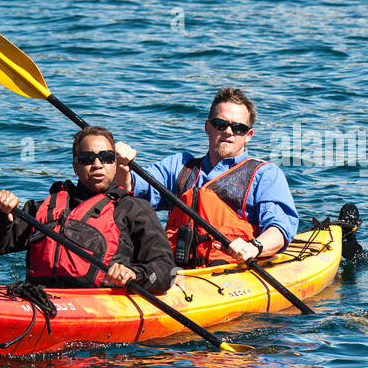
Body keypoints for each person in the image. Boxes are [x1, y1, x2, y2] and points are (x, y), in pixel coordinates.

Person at [115, 87, 298, 267]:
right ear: (207, 127)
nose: (228, 132)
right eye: (220, 124)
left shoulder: (265, 175)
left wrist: (255, 247)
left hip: (232, 269)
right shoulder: (180, 166)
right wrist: (122, 167)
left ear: (248, 135)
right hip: (176, 267)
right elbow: (130, 190)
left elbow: (280, 229)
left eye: (239, 128)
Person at [0, 125, 174, 292]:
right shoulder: (44, 208)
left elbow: (166, 271)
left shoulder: (134, 209)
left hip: (98, 303)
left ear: (115, 164)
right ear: (75, 166)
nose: (97, 165)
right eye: (87, 159)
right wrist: (0, 214)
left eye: (106, 157)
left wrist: (135, 274)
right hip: (37, 296)